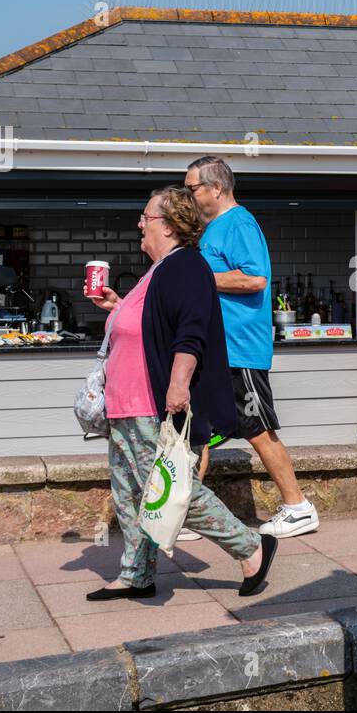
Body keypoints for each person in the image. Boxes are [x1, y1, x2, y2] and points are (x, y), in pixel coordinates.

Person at [85, 186, 276, 600]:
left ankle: (251, 546)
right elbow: (148, 326)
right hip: (125, 404)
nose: (139, 223)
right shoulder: (157, 271)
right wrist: (118, 306)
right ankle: (136, 574)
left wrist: (177, 386)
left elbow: (191, 334)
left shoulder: (187, 265)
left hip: (149, 402)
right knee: (130, 493)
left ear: (169, 226)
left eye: (146, 217)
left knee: (172, 492)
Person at [182, 155, 320, 538]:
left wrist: (201, 275)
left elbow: (255, 279)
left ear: (216, 188)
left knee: (257, 428)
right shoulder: (213, 229)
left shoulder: (238, 223)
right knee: (196, 431)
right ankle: (189, 512)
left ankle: (298, 508)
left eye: (191, 188)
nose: (187, 195)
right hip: (216, 350)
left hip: (240, 349)